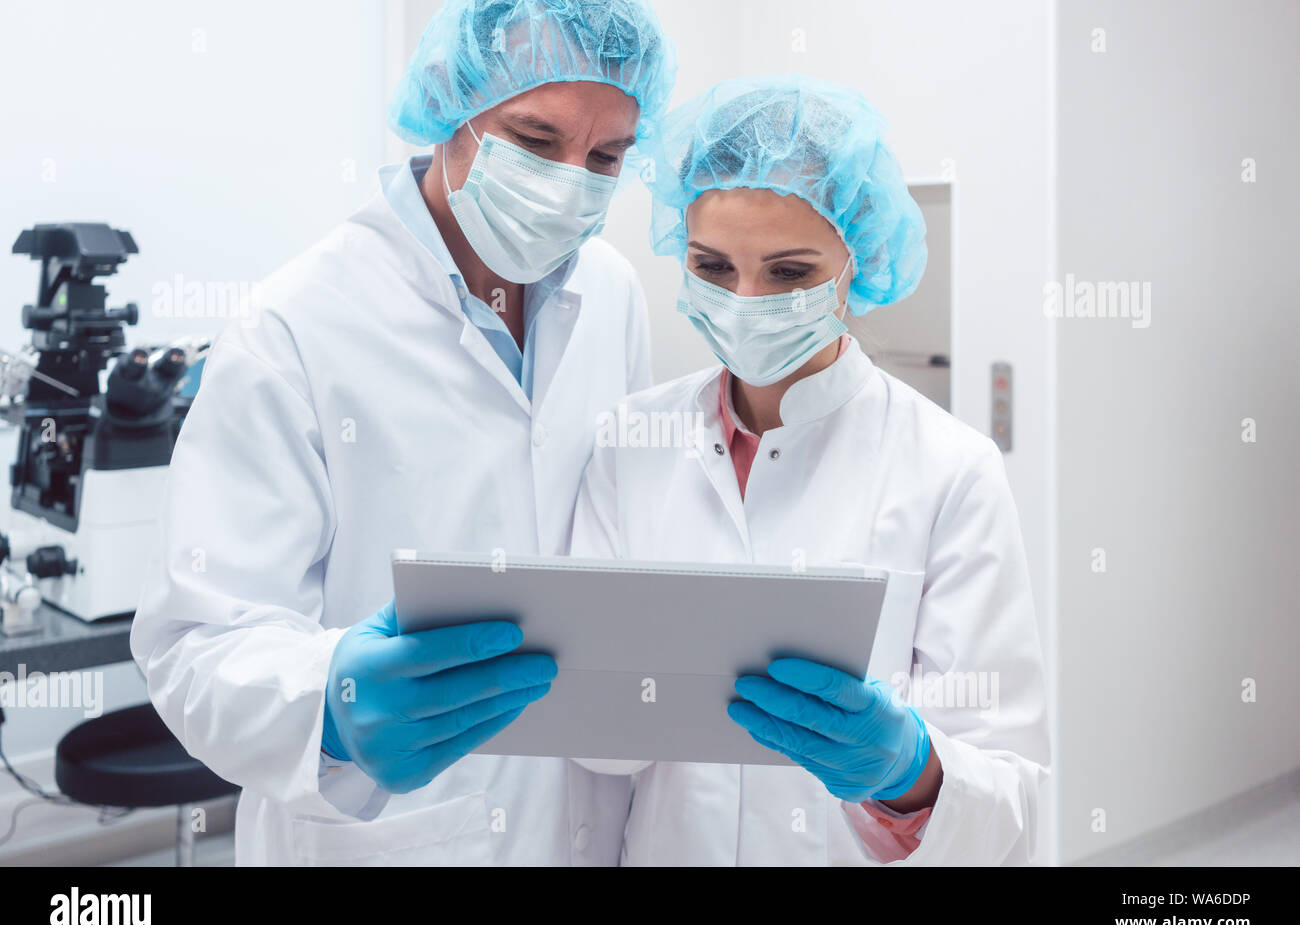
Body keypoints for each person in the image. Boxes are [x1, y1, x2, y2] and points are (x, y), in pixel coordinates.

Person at [130, 0, 675, 866]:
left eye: (605, 156)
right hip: (389, 834)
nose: (571, 179)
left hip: (589, 822)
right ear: (449, 109)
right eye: (535, 140)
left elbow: (624, 531)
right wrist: (333, 707)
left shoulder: (610, 295)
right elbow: (198, 643)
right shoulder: (294, 326)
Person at [569, 74, 1050, 865]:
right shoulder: (631, 441)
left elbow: (1005, 800)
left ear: (856, 262)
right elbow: (599, 737)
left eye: (788, 272)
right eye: (713, 266)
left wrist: (908, 771)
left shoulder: (950, 469)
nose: (745, 298)